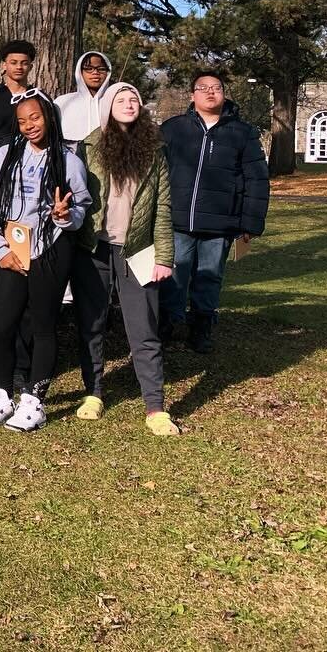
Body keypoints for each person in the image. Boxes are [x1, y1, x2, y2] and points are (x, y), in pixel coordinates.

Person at [0, 92, 90, 432]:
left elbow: (82, 209)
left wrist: (64, 215)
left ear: (50, 118)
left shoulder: (68, 160)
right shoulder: (5, 155)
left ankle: (34, 401)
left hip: (50, 250)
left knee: (43, 326)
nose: (29, 126)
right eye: (23, 120)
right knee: (3, 325)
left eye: (36, 118)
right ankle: (2, 395)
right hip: (12, 251)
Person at [75, 83, 180, 436]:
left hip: (138, 250)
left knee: (144, 329)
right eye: (120, 99)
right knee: (91, 324)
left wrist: (164, 256)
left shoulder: (154, 150)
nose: (129, 103)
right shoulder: (88, 147)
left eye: (134, 98)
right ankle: (93, 393)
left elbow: (163, 208)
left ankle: (155, 407)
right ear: (107, 107)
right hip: (95, 249)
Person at [160, 71, 270, 353]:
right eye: (203, 88)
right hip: (179, 221)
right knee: (174, 274)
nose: (210, 92)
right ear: (192, 95)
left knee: (209, 277)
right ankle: (168, 323)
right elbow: (156, 174)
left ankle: (202, 325)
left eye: (216, 88)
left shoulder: (242, 132)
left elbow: (256, 179)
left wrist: (251, 222)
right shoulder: (174, 128)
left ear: (224, 93)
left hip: (220, 223)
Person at [56, 51, 114, 149]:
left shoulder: (116, 103)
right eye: (89, 69)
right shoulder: (61, 103)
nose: (95, 72)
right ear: (80, 72)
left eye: (101, 69)